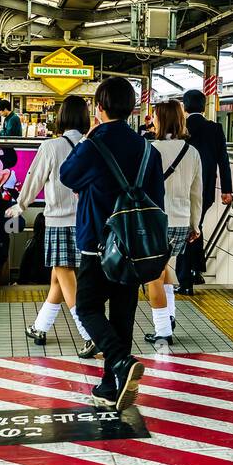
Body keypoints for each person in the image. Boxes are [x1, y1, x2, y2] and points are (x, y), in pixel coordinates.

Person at [60, 77, 166, 411]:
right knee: (122, 315)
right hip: (134, 249)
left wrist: (87, 139)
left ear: (99, 107)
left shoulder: (94, 144)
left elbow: (67, 175)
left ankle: (120, 361)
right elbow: (157, 200)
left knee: (88, 308)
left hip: (96, 243)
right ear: (132, 107)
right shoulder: (149, 149)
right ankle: (110, 384)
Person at [9, 93, 96, 357]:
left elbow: (34, 179)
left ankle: (89, 334)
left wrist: (20, 205)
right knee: (57, 278)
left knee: (64, 273)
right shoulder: (91, 146)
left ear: (61, 118)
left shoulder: (51, 147)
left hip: (58, 221)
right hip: (86, 221)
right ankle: (40, 326)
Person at [145, 99, 203, 351]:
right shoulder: (192, 152)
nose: (153, 121)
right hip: (180, 221)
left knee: (152, 276)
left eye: (156, 117)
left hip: (155, 220)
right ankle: (168, 315)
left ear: (162, 120)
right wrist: (195, 224)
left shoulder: (150, 149)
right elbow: (196, 193)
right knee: (165, 267)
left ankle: (162, 330)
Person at [176, 89, 233, 295]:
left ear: (184, 106)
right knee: (196, 225)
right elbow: (223, 161)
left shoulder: (180, 127)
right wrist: (227, 189)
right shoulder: (215, 128)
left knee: (188, 229)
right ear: (204, 106)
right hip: (206, 188)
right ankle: (196, 270)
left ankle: (185, 281)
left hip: (183, 188)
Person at [16, 212, 49, 286]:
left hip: (32, 281)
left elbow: (24, 264)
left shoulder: (32, 243)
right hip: (48, 281)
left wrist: (20, 281)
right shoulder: (53, 244)